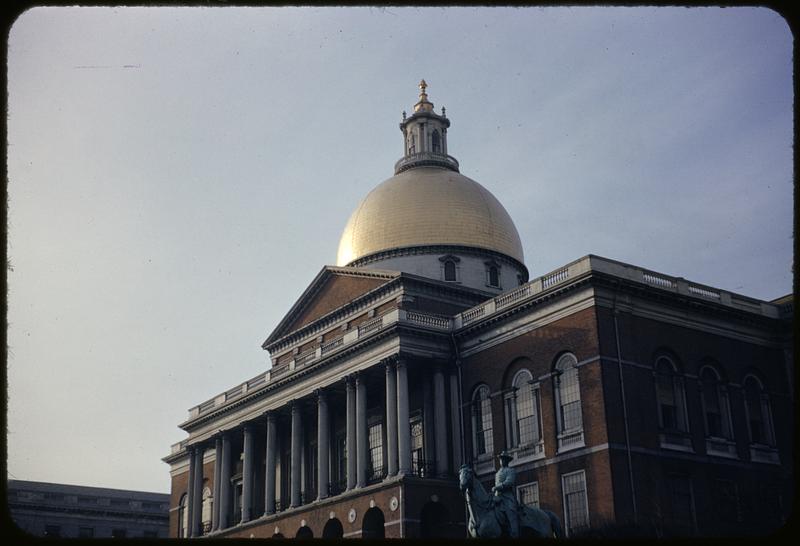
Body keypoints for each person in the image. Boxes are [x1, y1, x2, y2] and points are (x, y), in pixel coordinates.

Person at [491, 451, 520, 538]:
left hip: (507, 498)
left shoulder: (511, 471)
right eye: (501, 459)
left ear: (507, 461)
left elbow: (509, 482)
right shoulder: (497, 473)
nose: (501, 461)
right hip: (497, 498)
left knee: (511, 512)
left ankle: (515, 533)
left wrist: (497, 487)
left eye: (503, 459)